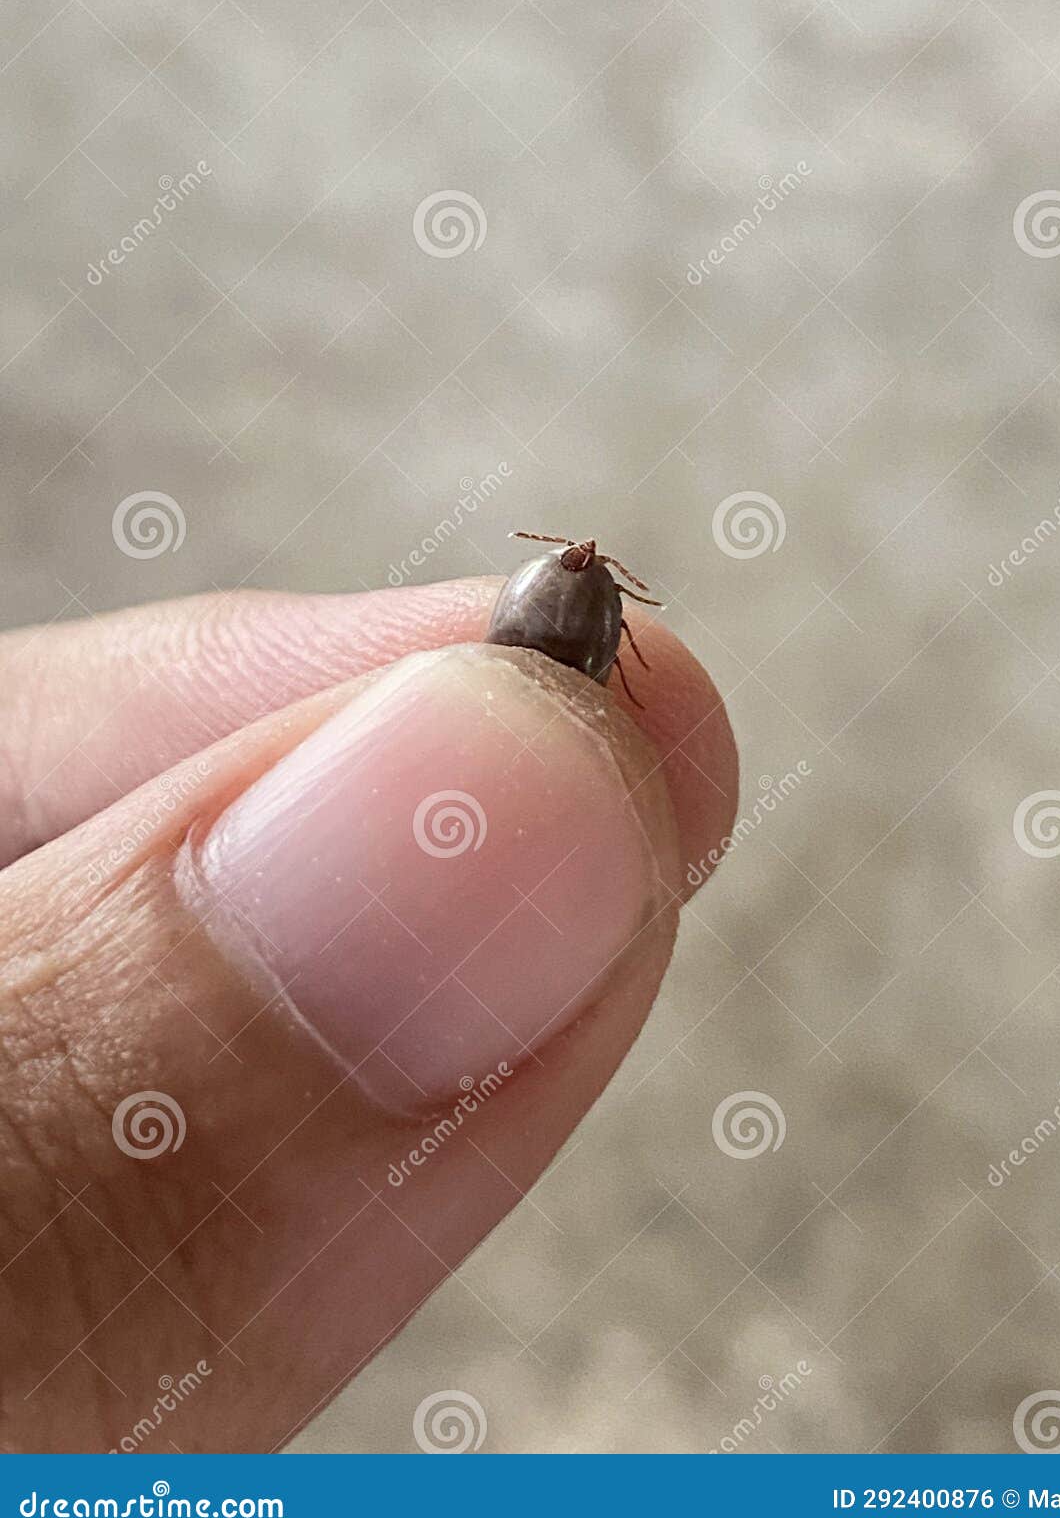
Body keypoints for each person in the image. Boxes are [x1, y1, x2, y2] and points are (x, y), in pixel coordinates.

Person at [0, 579, 736, 1452]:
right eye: (572, 562)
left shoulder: (586, 611)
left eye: (586, 566)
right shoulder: (592, 629)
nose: (576, 563)